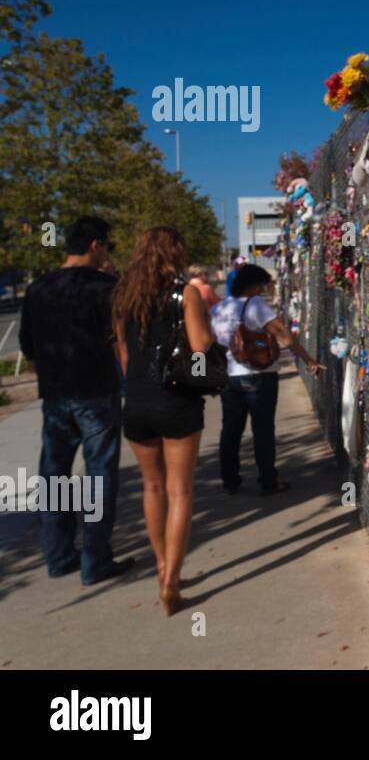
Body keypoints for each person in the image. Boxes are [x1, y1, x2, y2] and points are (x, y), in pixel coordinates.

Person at [18, 216, 134, 586]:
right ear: (96, 245)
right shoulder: (105, 287)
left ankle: (58, 556)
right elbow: (122, 341)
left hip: (55, 394)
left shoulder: (38, 289)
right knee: (99, 474)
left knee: (54, 475)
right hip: (96, 390)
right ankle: (96, 559)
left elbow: (27, 346)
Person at [112, 226, 215, 616]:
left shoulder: (124, 296)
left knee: (151, 487)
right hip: (175, 400)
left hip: (136, 400)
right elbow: (201, 345)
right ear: (174, 252)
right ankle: (173, 577)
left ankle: (159, 566)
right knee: (180, 491)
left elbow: (123, 357)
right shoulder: (185, 292)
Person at [210, 265, 322, 496]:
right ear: (252, 285)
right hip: (259, 376)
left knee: (230, 431)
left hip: (229, 377)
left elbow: (207, 343)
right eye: (261, 285)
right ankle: (268, 481)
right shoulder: (255, 305)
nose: (262, 289)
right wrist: (308, 359)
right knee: (262, 430)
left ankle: (230, 480)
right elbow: (283, 335)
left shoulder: (219, 308)